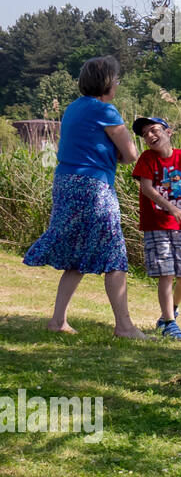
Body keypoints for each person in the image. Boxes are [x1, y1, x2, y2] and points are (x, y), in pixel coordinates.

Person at [24, 56, 145, 338]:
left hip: (65, 183)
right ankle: (124, 326)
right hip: (93, 186)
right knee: (114, 254)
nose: (117, 83)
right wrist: (115, 155)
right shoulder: (106, 110)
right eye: (116, 79)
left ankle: (58, 320)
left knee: (76, 254)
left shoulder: (73, 108)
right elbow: (131, 155)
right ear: (107, 82)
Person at [131, 116, 181, 340]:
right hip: (157, 223)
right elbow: (147, 189)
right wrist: (172, 209)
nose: (149, 136)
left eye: (153, 130)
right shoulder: (147, 159)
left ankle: (169, 311)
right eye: (144, 135)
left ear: (168, 132)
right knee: (166, 274)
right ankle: (170, 322)